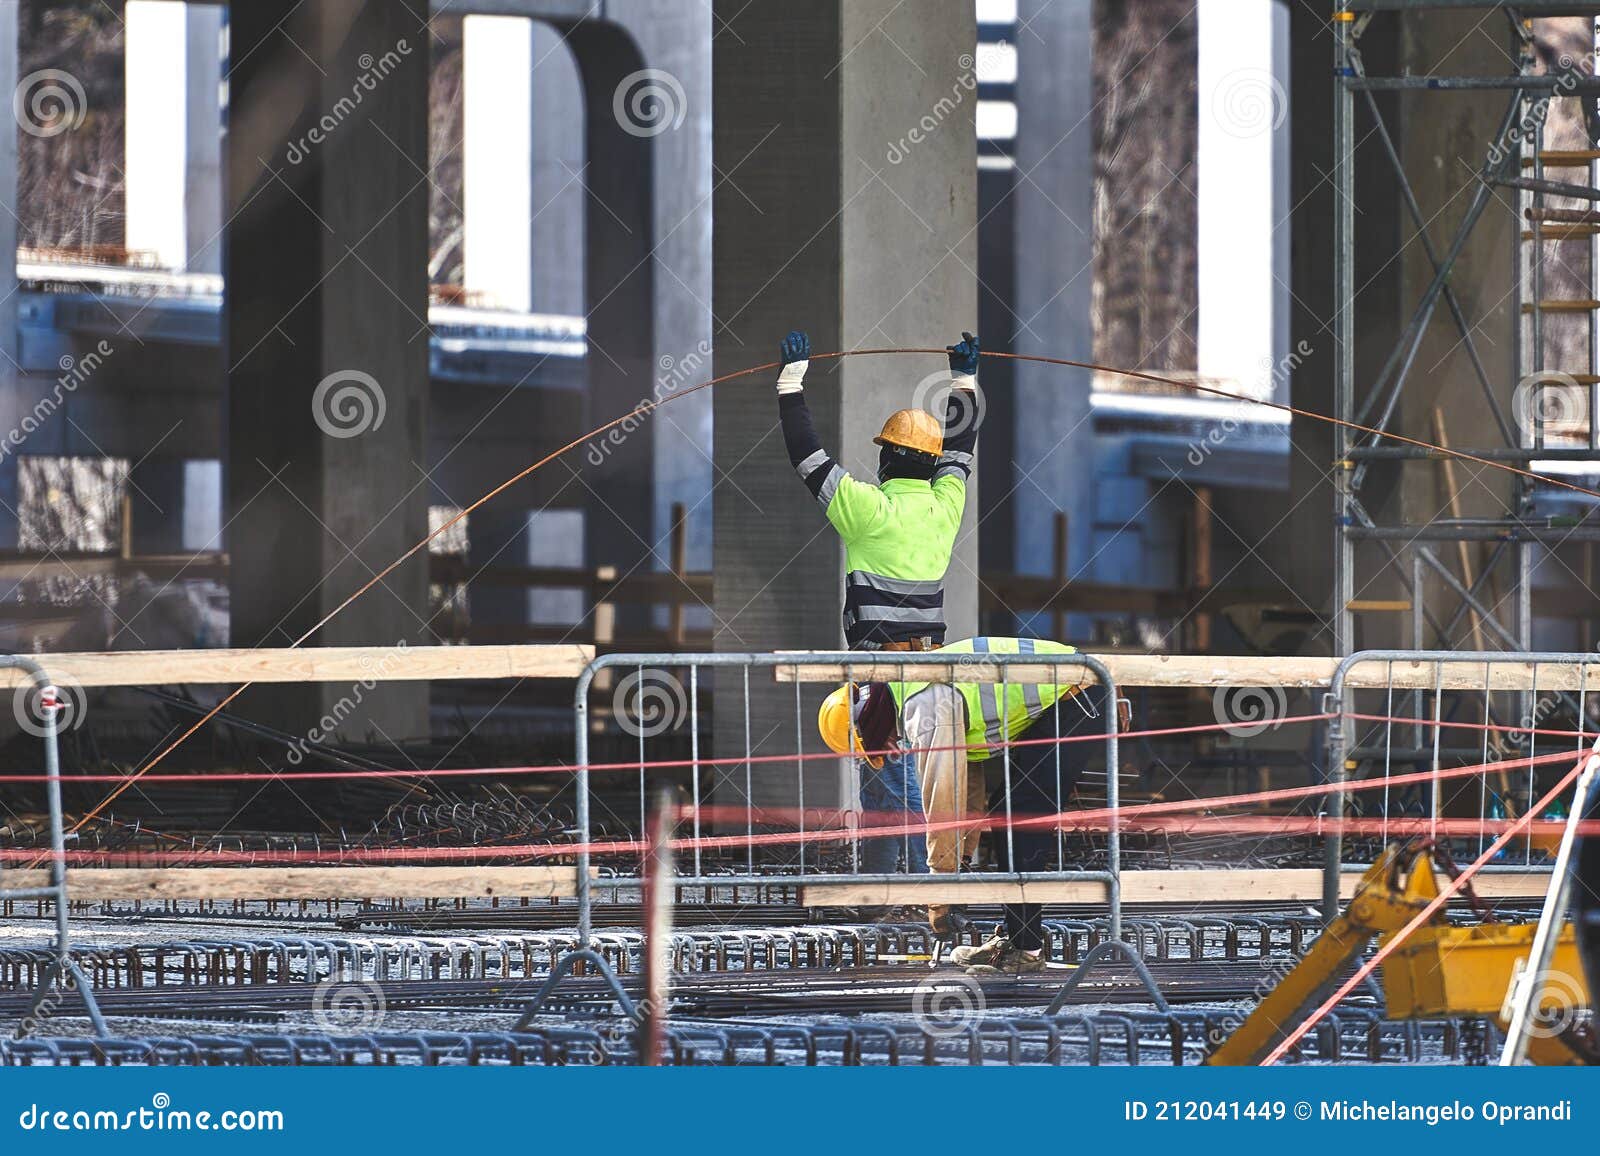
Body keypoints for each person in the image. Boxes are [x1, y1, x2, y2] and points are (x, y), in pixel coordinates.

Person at [778, 328, 981, 876]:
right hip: (933, 677)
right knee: (895, 792)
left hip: (880, 676)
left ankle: (917, 896)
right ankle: (888, 891)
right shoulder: (946, 508)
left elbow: (807, 457)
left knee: (898, 792)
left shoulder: (866, 511)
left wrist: (791, 381)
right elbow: (960, 450)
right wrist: (965, 381)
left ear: (888, 458)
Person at [819, 636, 1106, 972]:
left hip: (1078, 693)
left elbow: (943, 795)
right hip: (1074, 690)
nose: (891, 746)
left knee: (1016, 817)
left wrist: (942, 885)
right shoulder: (913, 689)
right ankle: (1018, 940)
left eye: (879, 745)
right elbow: (967, 781)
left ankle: (1026, 951)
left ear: (869, 723)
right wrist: (962, 860)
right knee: (1008, 812)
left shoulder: (922, 703)